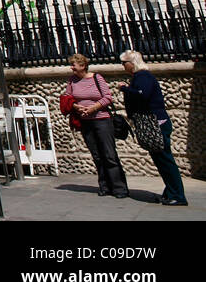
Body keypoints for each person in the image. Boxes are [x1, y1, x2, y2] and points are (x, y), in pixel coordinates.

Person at [116, 49, 187, 206]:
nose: (123, 66)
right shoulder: (140, 77)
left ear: (131, 63)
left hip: (156, 124)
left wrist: (124, 89)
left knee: (165, 161)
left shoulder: (143, 76)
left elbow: (142, 94)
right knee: (161, 161)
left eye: (124, 63)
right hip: (153, 123)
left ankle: (177, 195)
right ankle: (170, 192)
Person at [64, 53, 128, 198]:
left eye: (74, 64)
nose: (71, 67)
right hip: (85, 121)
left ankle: (119, 188)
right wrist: (76, 107)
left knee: (109, 154)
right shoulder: (72, 81)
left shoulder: (96, 78)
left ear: (83, 65)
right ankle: (104, 186)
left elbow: (107, 97)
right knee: (97, 155)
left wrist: (93, 108)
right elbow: (68, 97)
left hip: (101, 120)